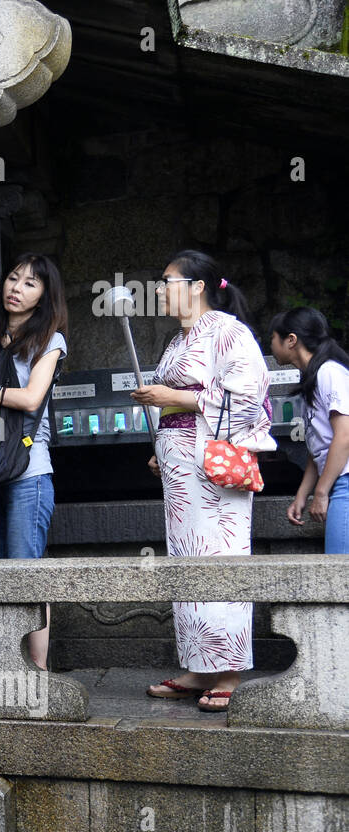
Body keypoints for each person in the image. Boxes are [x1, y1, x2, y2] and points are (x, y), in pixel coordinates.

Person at [135, 250, 274, 712]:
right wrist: (162, 444)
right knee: (186, 558)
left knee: (220, 555)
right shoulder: (178, 341)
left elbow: (249, 396)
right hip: (179, 463)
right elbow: (176, 407)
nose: (160, 289)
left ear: (197, 286)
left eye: (168, 280)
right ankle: (198, 666)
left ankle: (229, 670)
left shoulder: (228, 331)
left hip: (212, 464)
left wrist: (171, 396)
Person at [0, 253, 68, 669]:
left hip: (29, 468)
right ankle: (2, 665)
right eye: (13, 278)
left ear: (45, 296)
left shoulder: (50, 342)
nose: (16, 288)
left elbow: (30, 399)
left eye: (30, 283)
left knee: (25, 570)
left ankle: (38, 670)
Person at [270, 307, 349, 553]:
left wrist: (321, 492)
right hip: (338, 480)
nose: (270, 345)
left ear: (291, 340)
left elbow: (344, 436)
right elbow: (320, 449)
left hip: (345, 482)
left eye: (272, 338)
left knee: (339, 573)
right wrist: (302, 496)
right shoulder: (313, 379)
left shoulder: (329, 373)